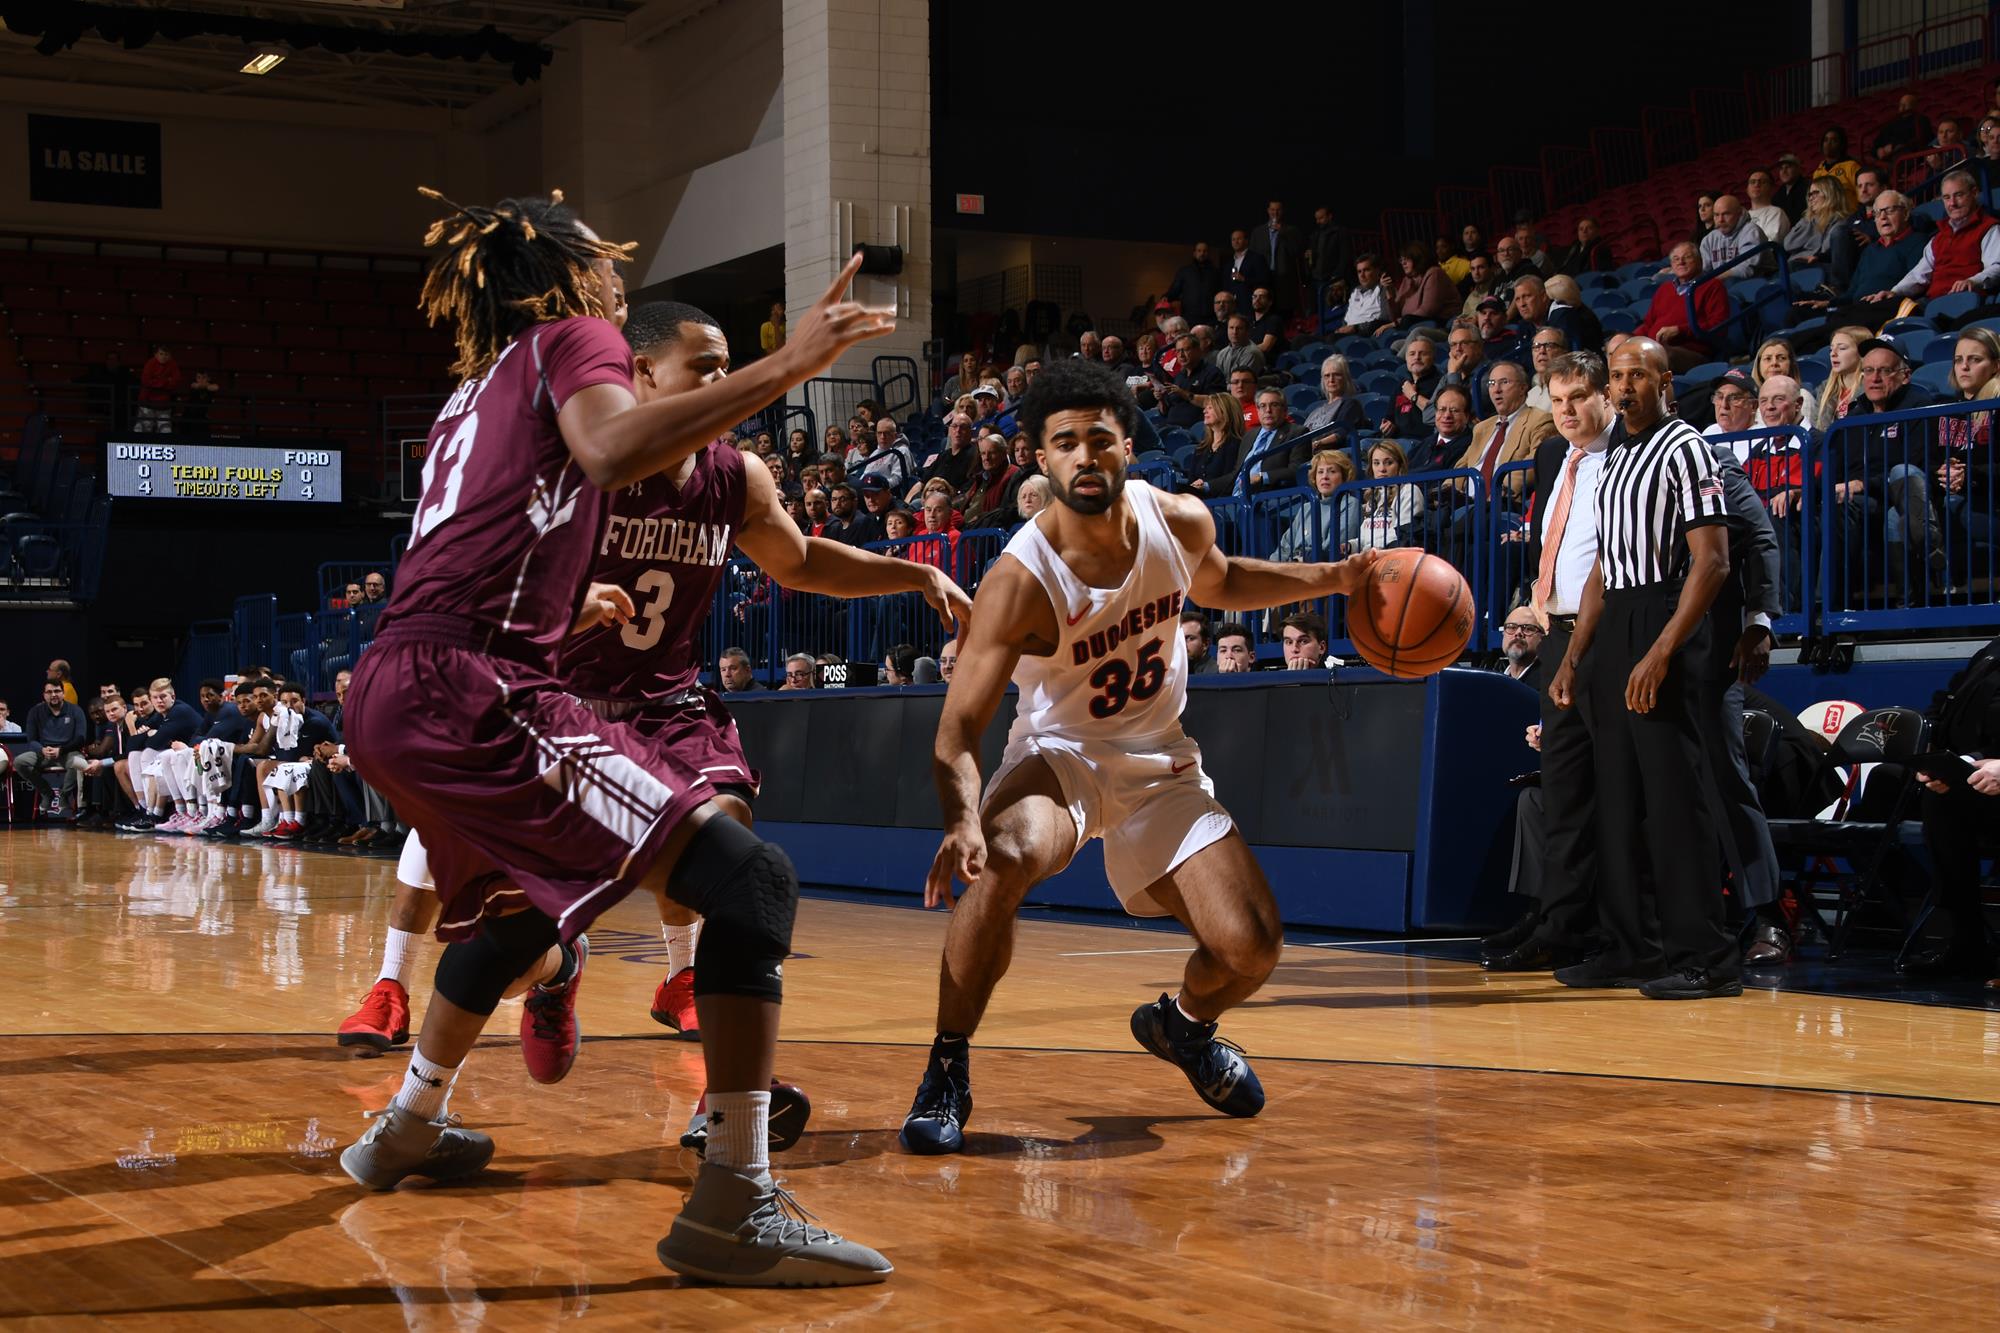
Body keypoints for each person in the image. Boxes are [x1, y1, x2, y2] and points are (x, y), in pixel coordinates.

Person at [336, 189, 897, 1286]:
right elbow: (604, 451)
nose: (616, 280)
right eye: (604, 262)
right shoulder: (575, 340)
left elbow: (486, 534)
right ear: (570, 276)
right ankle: (734, 1199)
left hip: (401, 685)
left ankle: (407, 1123)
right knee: (753, 886)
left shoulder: (472, 390)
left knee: (514, 924)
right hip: (480, 686)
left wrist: (559, 606)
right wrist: (790, 363)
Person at [899, 359, 1379, 1156]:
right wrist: (962, 818)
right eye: (1065, 443)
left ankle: (1181, 1027)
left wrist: (1331, 576)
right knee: (1005, 856)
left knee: (1253, 945)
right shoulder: (1019, 580)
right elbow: (958, 729)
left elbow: (1221, 581)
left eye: (1100, 438)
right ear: (1041, 459)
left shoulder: (1178, 520)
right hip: (1064, 755)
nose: (1085, 455)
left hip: (1161, 760)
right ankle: (947, 1063)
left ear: (1127, 445)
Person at [1547, 338, 1740, 1000]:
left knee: (1673, 799)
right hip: (1616, 621)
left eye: (1639, 374)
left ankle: (1708, 957)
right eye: (1618, 375)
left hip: (1667, 613)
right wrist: (1575, 655)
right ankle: (1633, 947)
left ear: (1665, 382)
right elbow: (1603, 568)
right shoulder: (1618, 457)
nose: (1625, 385)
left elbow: (1712, 561)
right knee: (1618, 799)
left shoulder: (1686, 447)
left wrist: (1660, 650)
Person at [1905, 636, 2000, 979]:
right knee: (1937, 798)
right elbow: (1945, 705)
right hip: (1983, 779)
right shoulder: (1992, 652)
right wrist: (1940, 763)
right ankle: (1967, 940)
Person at [1636, 242, 1729, 372]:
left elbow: (1718, 325)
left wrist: (1680, 330)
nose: (1681, 262)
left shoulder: (1713, 286)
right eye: (1676, 259)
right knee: (1618, 347)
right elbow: (1648, 324)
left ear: (1699, 261)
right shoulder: (1664, 289)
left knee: (1659, 355)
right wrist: (1628, 340)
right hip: (1655, 348)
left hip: (1692, 352)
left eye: (1687, 257)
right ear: (1672, 264)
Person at [17, 679, 90, 818]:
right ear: (44, 695)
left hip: (67, 752)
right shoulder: (35, 711)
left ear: (63, 693)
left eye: (57, 691)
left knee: (80, 762)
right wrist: (42, 750)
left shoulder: (75, 710)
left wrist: (61, 750)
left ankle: (64, 795)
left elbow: (81, 739)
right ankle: (47, 793)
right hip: (44, 752)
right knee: (19, 762)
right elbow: (31, 739)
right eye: (49, 692)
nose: (53, 695)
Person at [1272, 449, 1358, 561]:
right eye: (1320, 472)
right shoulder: (1306, 507)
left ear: (1344, 477)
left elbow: (1333, 548)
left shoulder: (1350, 503)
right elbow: (1285, 545)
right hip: (1293, 563)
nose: (1325, 476)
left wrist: (1301, 559)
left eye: (1332, 471)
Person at [1356, 440, 1423, 549]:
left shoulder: (1409, 491)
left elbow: (1403, 533)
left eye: (1389, 463)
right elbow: (1365, 538)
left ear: (1400, 465)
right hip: (1371, 553)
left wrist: (1372, 549)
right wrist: (1351, 545)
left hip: (1394, 553)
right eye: (1376, 463)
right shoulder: (1373, 497)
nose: (1382, 469)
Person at [1300, 355, 1367, 454]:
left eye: (1336, 375)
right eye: (1327, 376)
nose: (1331, 380)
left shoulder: (1351, 405)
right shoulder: (1315, 411)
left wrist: (1317, 444)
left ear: (1345, 378)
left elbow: (1340, 433)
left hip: (1328, 454)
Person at [1699, 195, 1774, 281]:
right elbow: (1704, 272)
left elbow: (1746, 270)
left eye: (1726, 214)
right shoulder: (1709, 240)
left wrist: (1711, 281)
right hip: (1725, 284)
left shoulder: (1751, 231)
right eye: (1716, 215)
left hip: (1763, 282)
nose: (1720, 220)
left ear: (1739, 214)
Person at [1182, 392, 1243, 496]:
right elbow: (1191, 480)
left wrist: (1205, 485)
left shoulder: (1235, 445)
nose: (1204, 411)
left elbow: (1230, 480)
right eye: (1205, 408)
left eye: (1210, 408)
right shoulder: (1201, 448)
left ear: (1225, 412)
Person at [1390, 241, 1456, 327]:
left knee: (1406, 321)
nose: (1403, 263)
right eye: (1401, 260)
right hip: (1412, 324)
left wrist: (1397, 323)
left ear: (1417, 258)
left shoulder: (1434, 273)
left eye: (1407, 259)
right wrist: (1389, 292)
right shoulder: (1406, 280)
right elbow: (1394, 316)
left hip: (1440, 322)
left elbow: (1428, 310)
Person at [1334, 254, 1393, 336]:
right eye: (1359, 271)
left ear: (1377, 271)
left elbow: (1385, 319)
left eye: (1366, 270)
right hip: (1349, 335)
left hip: (1368, 334)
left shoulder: (1383, 289)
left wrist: (1356, 328)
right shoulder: (1355, 291)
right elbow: (1347, 319)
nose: (1362, 275)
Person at [1496, 607, 1545, 689]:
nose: (1518, 633)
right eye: (1511, 627)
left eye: (1528, 629)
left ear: (1542, 638)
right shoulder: (1493, 682)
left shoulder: (1550, 683)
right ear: (1503, 633)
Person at [1743, 168, 1791, 243]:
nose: (1756, 184)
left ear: (1771, 188)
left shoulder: (1776, 213)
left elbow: (1770, 244)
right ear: (1747, 189)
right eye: (1752, 182)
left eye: (1762, 182)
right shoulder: (1743, 216)